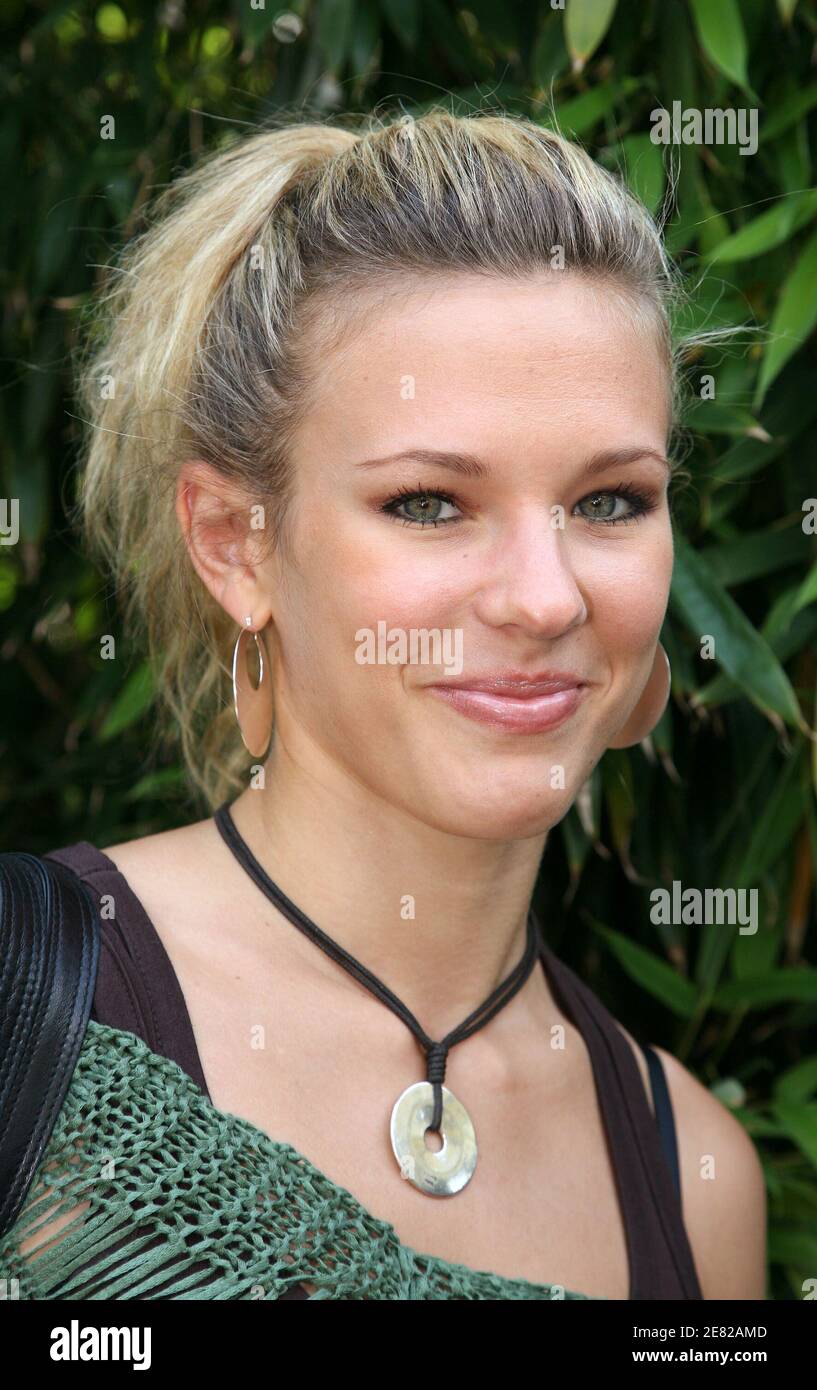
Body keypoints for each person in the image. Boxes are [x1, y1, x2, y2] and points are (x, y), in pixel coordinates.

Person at [3, 107, 766, 1300]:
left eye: (610, 500)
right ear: (234, 543)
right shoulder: (28, 1013)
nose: (544, 597)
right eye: (427, 503)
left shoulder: (696, 1176)